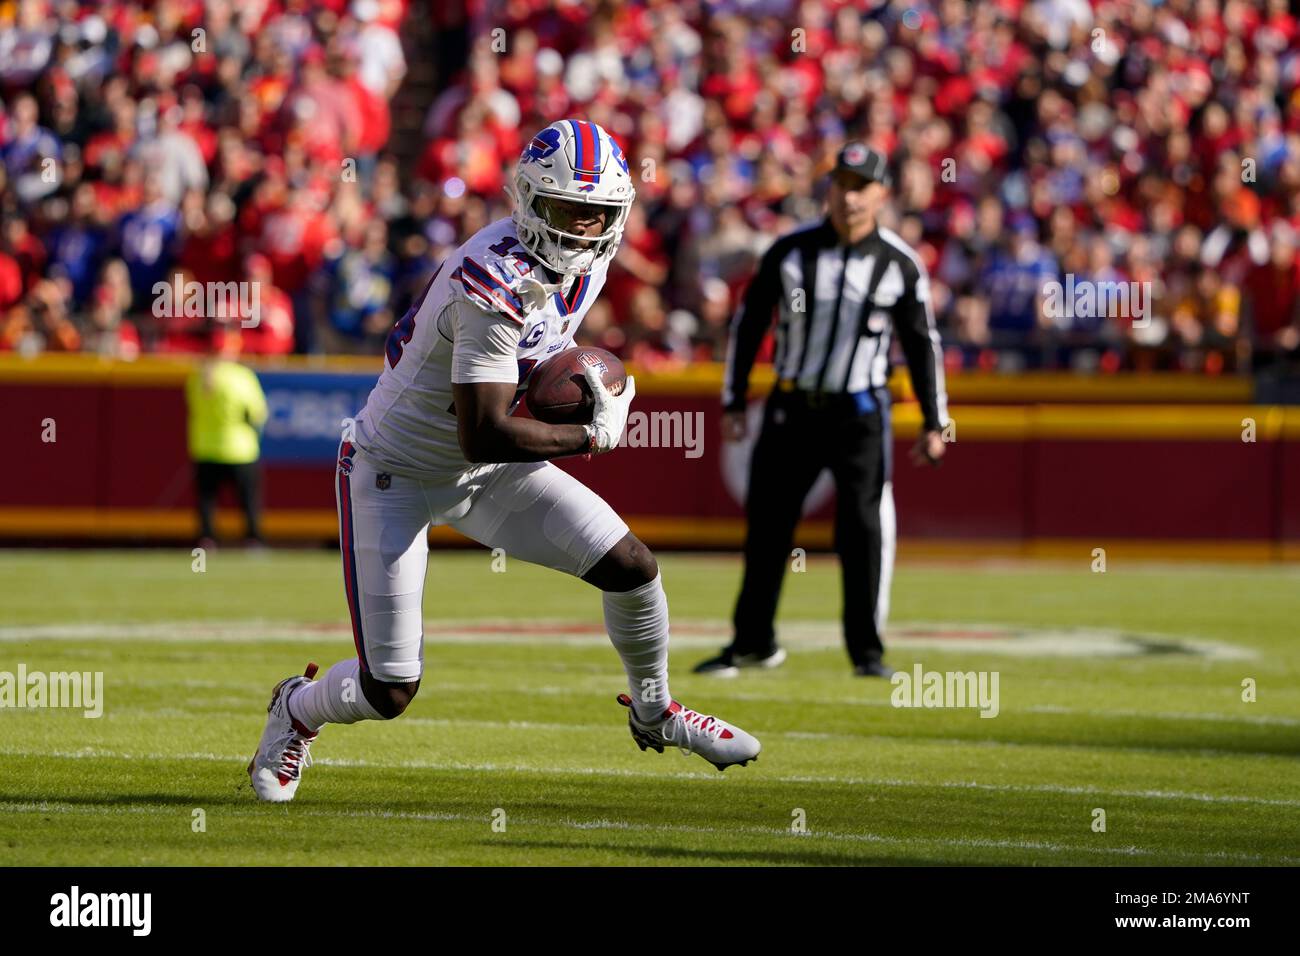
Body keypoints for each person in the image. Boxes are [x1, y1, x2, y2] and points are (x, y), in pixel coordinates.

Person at [247, 120, 761, 801]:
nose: (581, 230)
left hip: (483, 475)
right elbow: (483, 433)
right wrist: (590, 434)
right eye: (566, 212)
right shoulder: (492, 281)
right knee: (391, 688)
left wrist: (578, 389)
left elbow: (532, 370)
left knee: (632, 567)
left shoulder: (590, 261)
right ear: (527, 200)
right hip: (396, 470)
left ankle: (656, 710)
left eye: (596, 215)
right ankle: (297, 707)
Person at [694, 143, 949, 679]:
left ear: (882, 194)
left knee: (861, 532)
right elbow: (749, 325)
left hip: (860, 413)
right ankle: (752, 642)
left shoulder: (899, 263)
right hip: (792, 409)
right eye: (841, 184)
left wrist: (934, 420)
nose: (849, 196)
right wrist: (734, 398)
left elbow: (921, 342)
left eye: (861, 186)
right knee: (768, 529)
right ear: (827, 188)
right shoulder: (789, 252)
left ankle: (866, 651)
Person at [184, 323, 268, 547]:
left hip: (205, 447)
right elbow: (257, 413)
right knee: (248, 499)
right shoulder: (241, 376)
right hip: (240, 448)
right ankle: (253, 540)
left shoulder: (198, 376)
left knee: (207, 500)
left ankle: (207, 539)